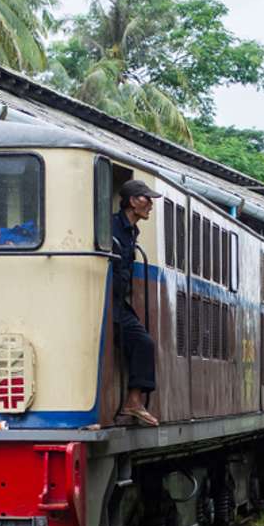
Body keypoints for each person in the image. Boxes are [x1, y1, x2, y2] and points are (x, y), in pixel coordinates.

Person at [112, 179, 160, 427]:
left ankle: (134, 401)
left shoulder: (132, 231)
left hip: (120, 301)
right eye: (146, 199)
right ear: (133, 201)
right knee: (142, 341)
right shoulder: (112, 227)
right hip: (107, 301)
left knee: (143, 342)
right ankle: (133, 401)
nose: (150, 204)